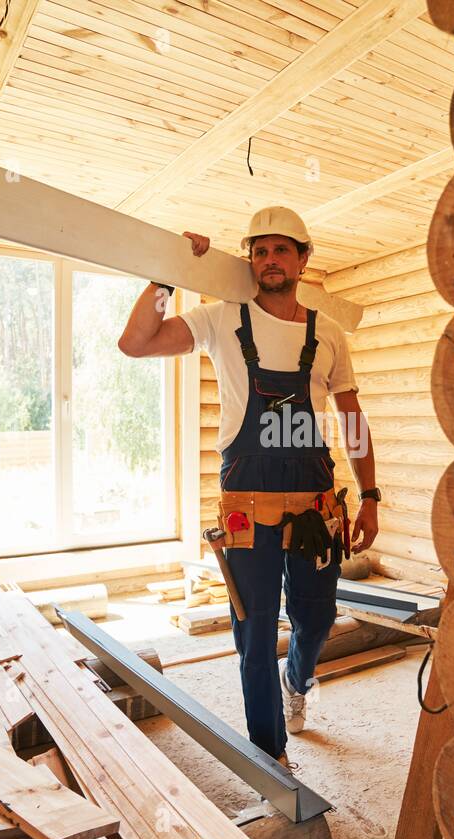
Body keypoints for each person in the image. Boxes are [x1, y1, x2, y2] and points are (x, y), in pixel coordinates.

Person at [119, 206, 381, 768]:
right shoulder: (220, 320)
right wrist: (166, 275)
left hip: (315, 504)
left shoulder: (328, 334)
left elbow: (353, 421)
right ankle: (271, 753)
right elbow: (135, 343)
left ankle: (298, 680)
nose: (269, 260)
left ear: (304, 259)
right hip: (248, 503)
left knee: (316, 620)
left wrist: (372, 497)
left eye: (281, 250)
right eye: (259, 251)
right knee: (253, 629)